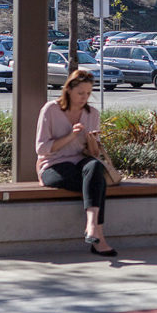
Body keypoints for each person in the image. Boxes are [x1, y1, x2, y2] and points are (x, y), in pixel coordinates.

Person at [35, 69, 116, 257]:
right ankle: (99, 237)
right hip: (53, 164)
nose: (84, 98)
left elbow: (94, 154)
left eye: (88, 93)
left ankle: (91, 225)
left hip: (82, 163)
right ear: (69, 90)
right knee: (97, 183)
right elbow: (41, 149)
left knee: (95, 168)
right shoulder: (50, 110)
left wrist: (90, 139)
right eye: (80, 93)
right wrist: (71, 136)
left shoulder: (92, 113)